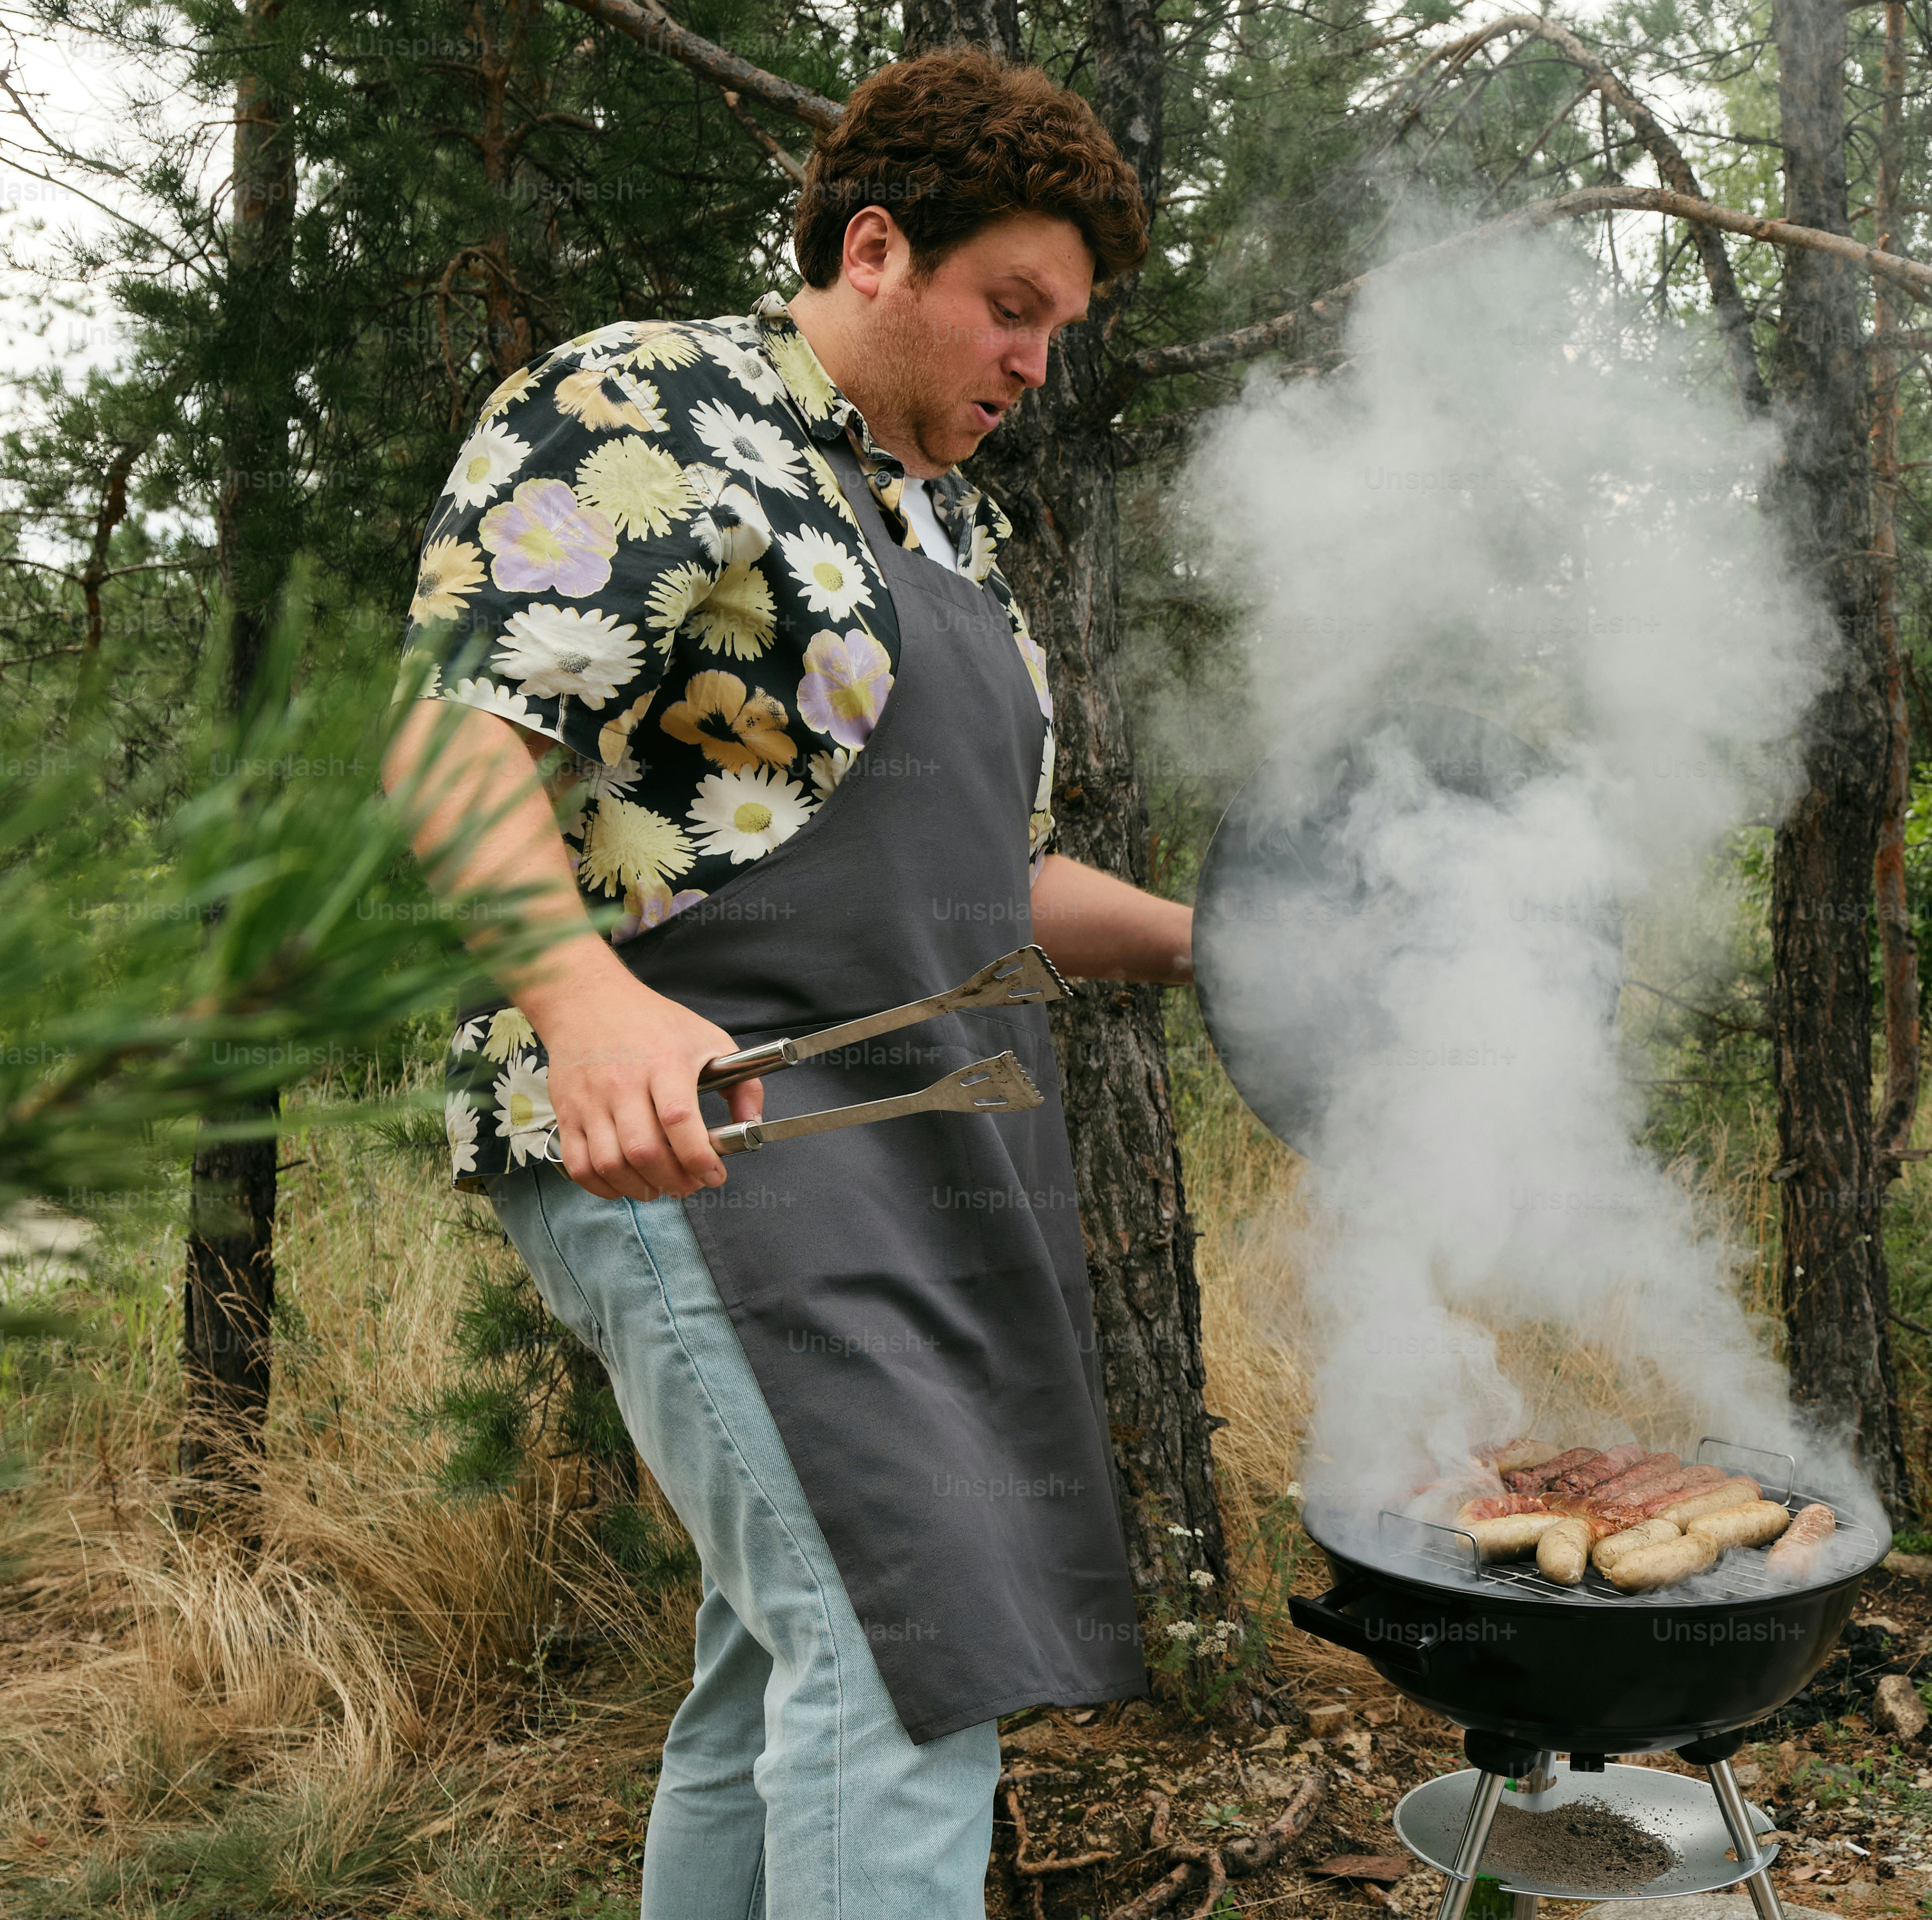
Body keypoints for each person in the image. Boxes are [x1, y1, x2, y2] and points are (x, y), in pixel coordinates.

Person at [382, 52, 1188, 1920]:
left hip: (910, 1167)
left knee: (776, 1669)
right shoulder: (649, 405)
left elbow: (995, 876)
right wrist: (582, 999)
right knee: (905, 1663)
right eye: (1012, 309)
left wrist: (1217, 939)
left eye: (1058, 332)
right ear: (877, 246)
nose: (1032, 366)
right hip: (700, 1130)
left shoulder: (940, 527)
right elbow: (447, 743)